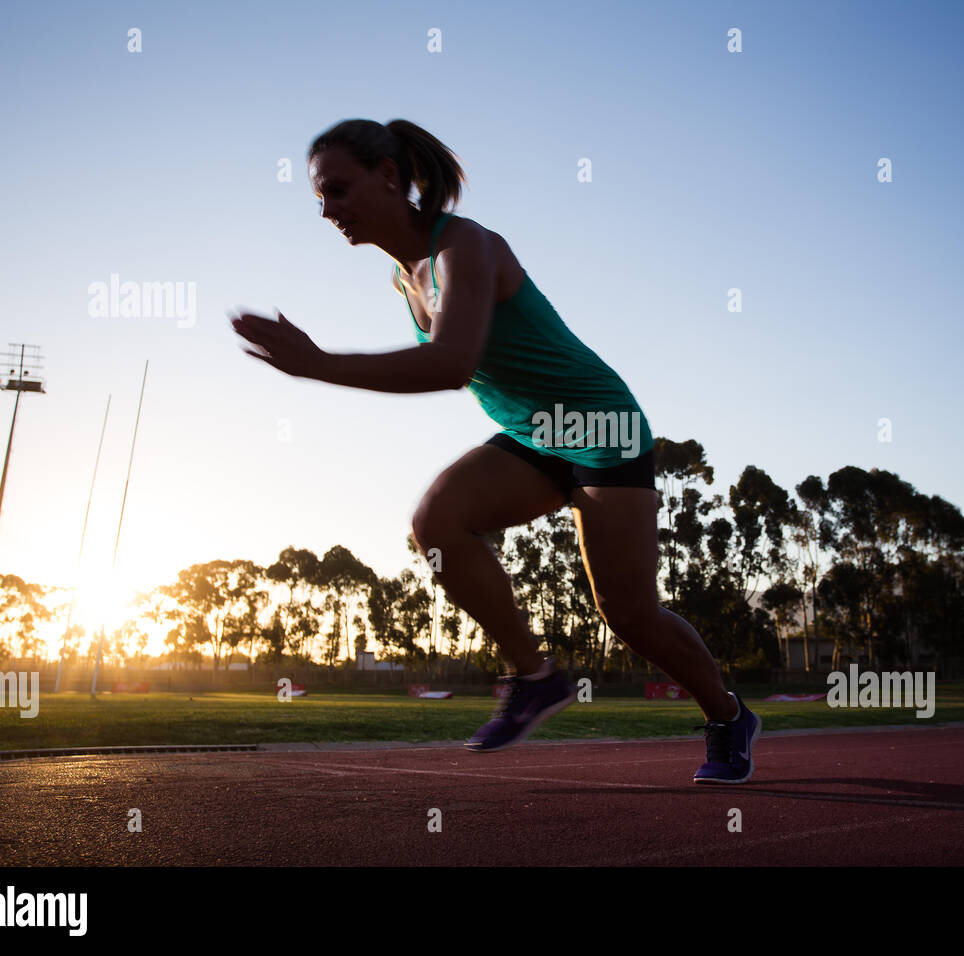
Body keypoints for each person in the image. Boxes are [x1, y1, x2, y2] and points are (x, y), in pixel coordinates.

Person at [230, 118, 760, 783]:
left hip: (599, 425)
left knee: (628, 613)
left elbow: (453, 364)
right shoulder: (406, 281)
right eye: (319, 197)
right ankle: (535, 677)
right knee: (437, 523)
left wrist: (318, 363)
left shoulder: (465, 245)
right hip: (535, 436)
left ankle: (727, 714)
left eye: (338, 189)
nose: (326, 210)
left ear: (388, 176)